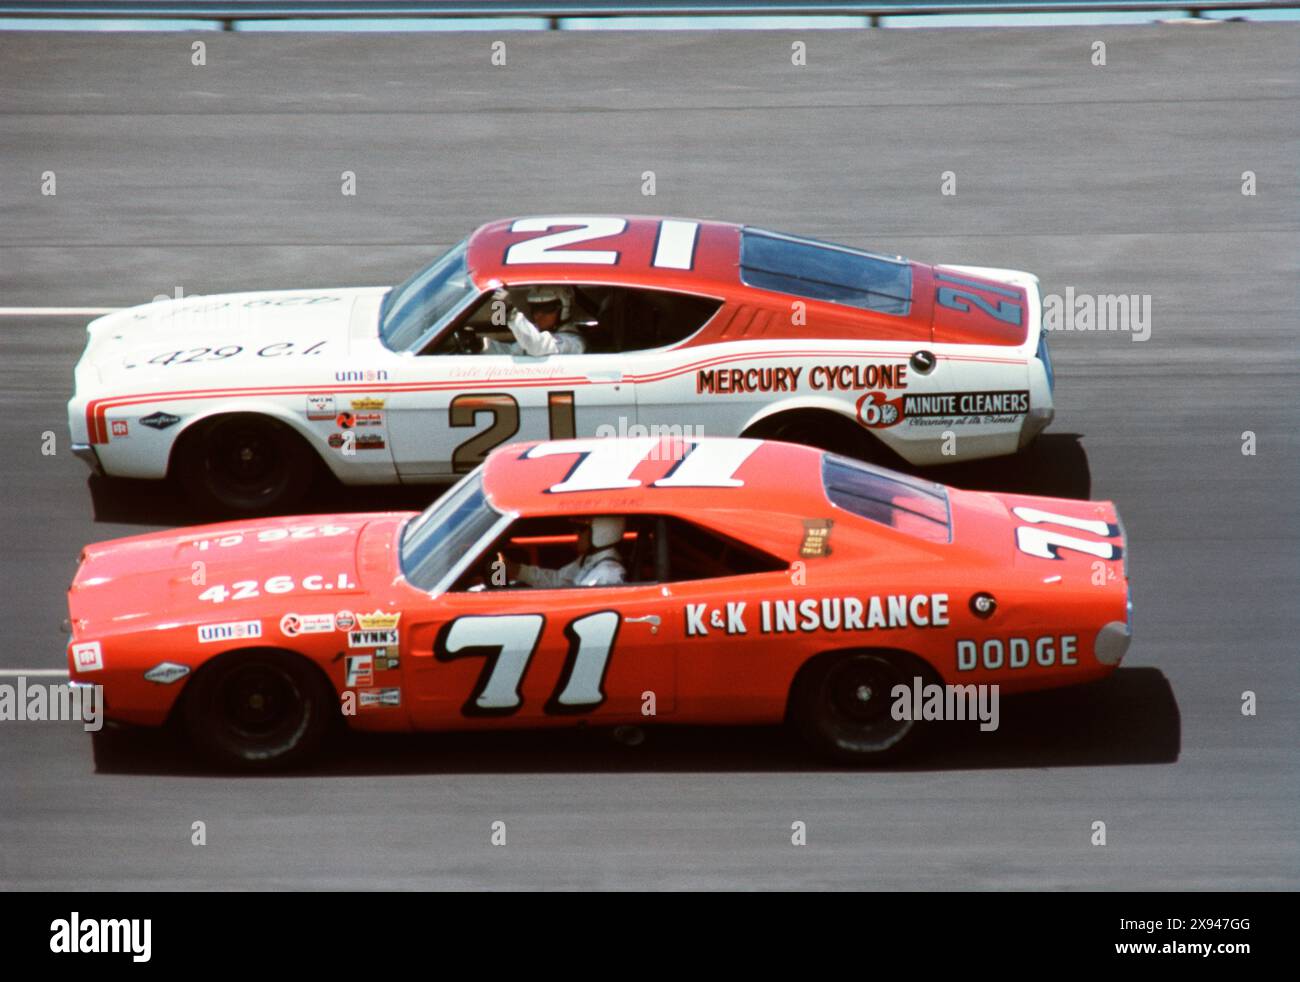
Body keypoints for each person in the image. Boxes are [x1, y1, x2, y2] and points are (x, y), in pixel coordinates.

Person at [500, 516, 626, 588]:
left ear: (602, 532)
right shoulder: (591, 561)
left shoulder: (607, 573)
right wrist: (515, 570)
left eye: (581, 529)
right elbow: (558, 581)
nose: (576, 533)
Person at [481, 284, 586, 356]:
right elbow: (511, 351)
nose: (538, 315)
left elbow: (537, 346)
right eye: (535, 309)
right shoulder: (537, 336)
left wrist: (512, 313)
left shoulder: (573, 342)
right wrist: (481, 344)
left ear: (564, 308)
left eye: (547, 309)